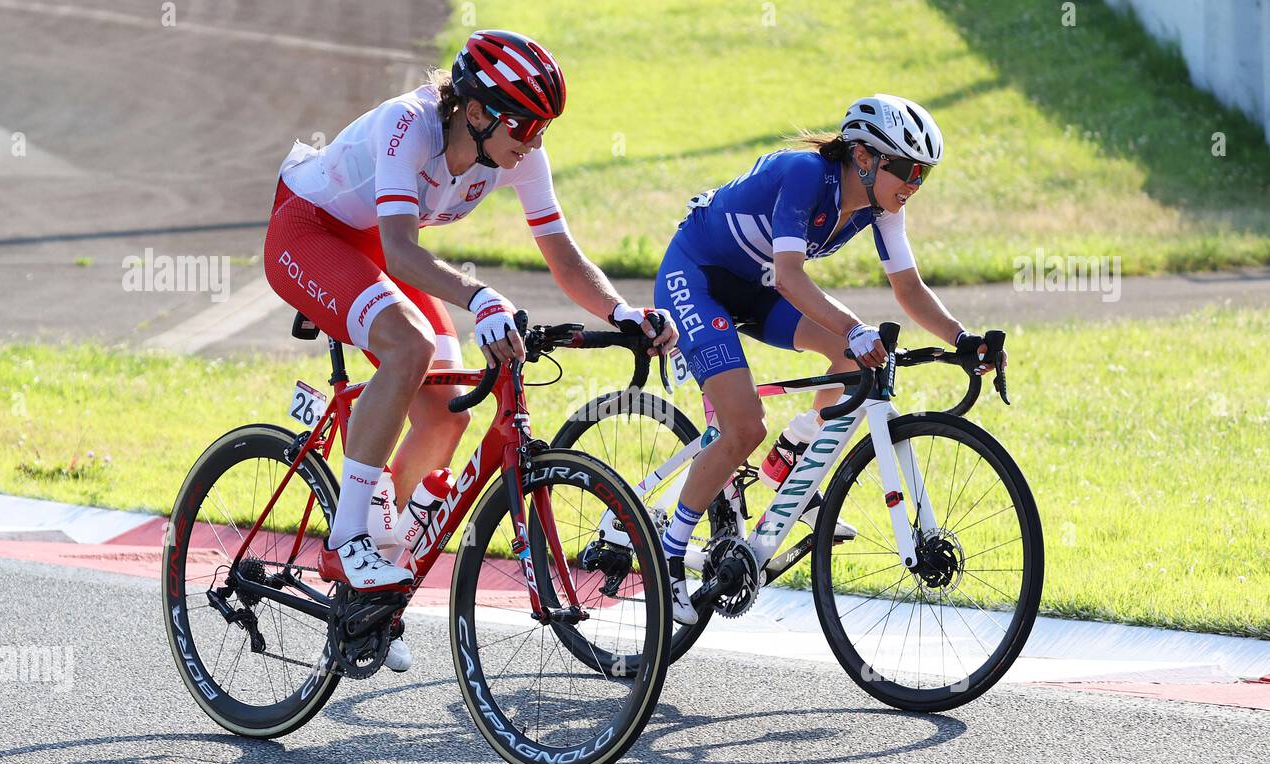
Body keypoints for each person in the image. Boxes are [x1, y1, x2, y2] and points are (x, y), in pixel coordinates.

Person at [263, 30, 676, 668]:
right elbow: (402, 251)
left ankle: (376, 566)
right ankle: (348, 537)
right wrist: (480, 297)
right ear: (476, 113)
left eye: (543, 129)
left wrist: (622, 312)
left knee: (449, 402)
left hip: (373, 246)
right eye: (526, 126)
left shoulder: (515, 151)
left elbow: (562, 255)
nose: (534, 143)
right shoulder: (409, 127)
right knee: (410, 345)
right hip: (310, 231)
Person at [653, 94, 1001, 625]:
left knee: (851, 361)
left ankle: (790, 462)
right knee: (744, 426)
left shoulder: (880, 207)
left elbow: (908, 287)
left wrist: (962, 337)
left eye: (923, 175)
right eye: (906, 169)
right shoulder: (805, 174)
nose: (913, 184)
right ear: (864, 156)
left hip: (755, 285)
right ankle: (669, 551)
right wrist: (854, 327)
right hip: (698, 277)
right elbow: (791, 275)